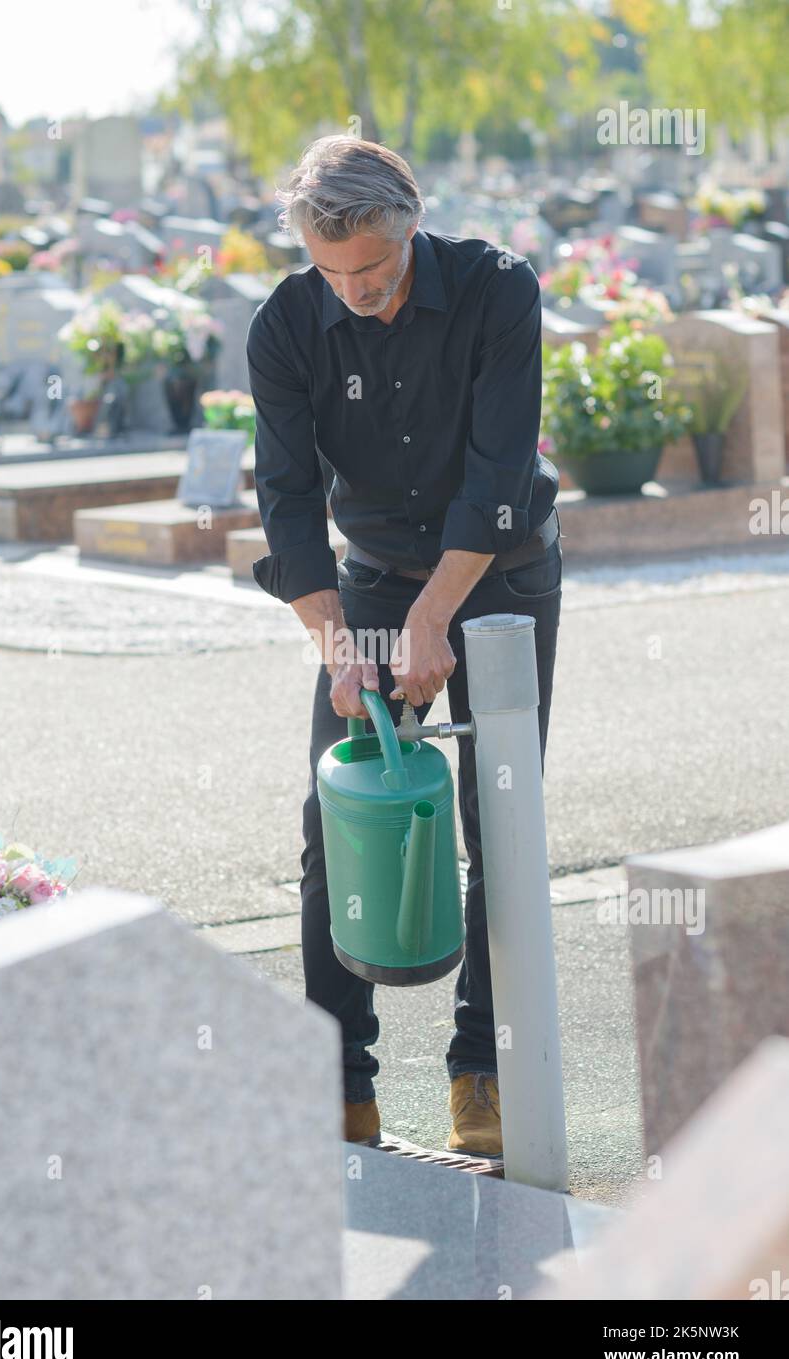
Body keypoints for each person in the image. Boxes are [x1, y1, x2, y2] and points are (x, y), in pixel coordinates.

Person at [246, 136, 562, 1158]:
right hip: (374, 579)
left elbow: (501, 469)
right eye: (334, 273)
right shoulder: (287, 327)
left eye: (373, 269)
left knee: (495, 824)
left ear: (410, 222)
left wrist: (437, 619)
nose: (356, 291)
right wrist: (339, 641)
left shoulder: (497, 290)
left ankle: (484, 1074)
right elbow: (290, 504)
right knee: (330, 823)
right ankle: (338, 1087)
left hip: (500, 574)